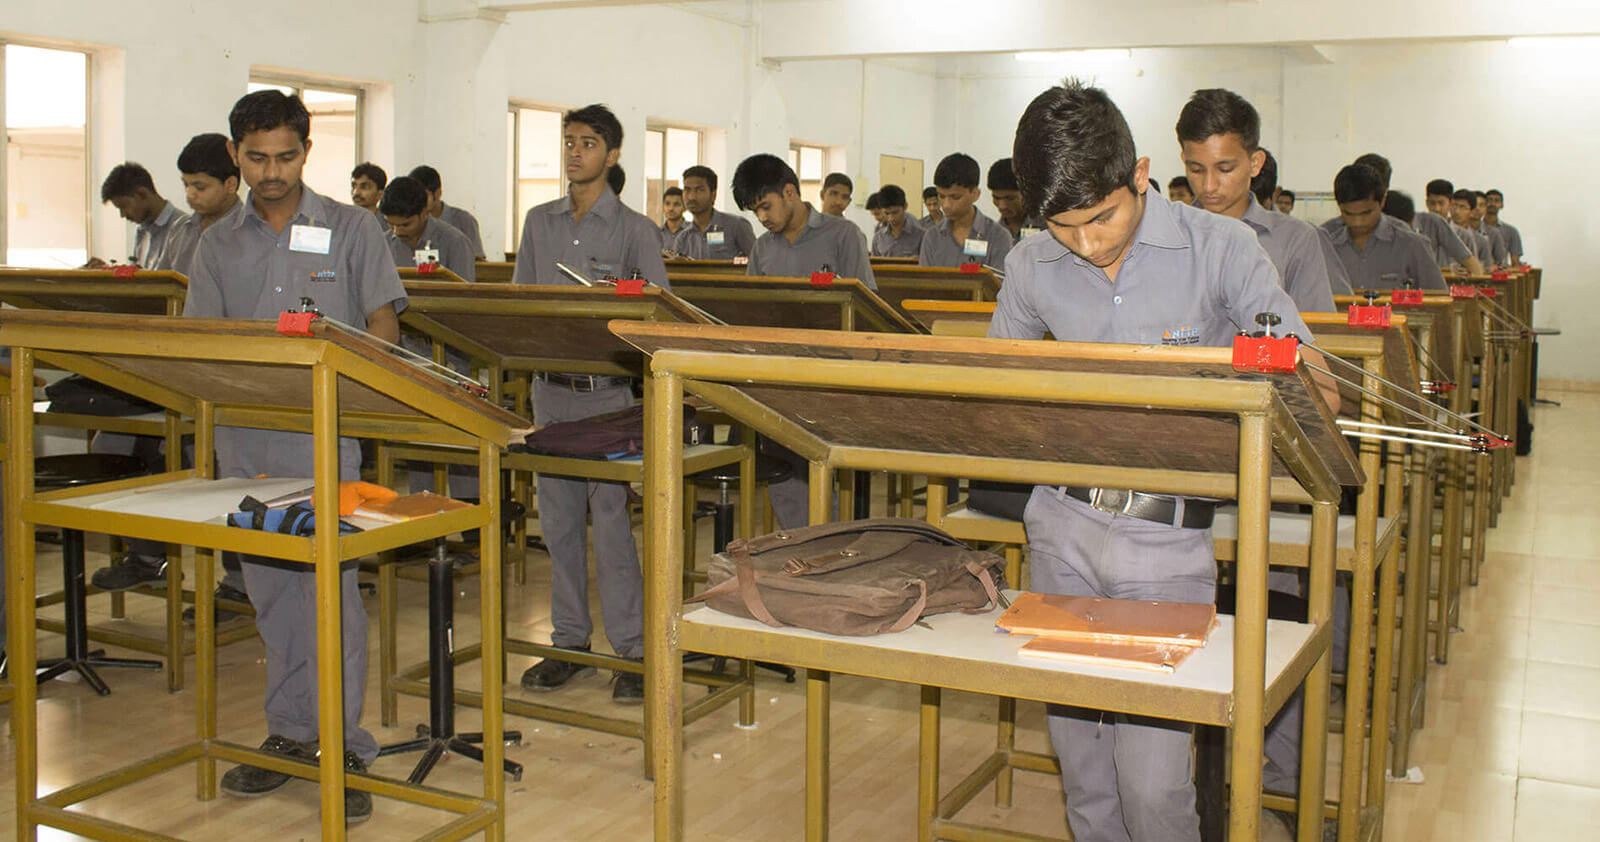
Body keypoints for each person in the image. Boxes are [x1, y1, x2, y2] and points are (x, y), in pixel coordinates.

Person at [992, 79, 1337, 842]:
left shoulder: (1222, 249)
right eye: (1064, 226)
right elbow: (998, 396)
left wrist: (1265, 364)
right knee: (1083, 775)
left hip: (1165, 540)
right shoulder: (1028, 265)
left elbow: (1313, 383)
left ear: (1142, 173)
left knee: (1151, 788)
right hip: (1059, 529)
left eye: (1104, 216)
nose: (1088, 242)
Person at [184, 89, 403, 824]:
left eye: (285, 157)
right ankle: (289, 732)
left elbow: (381, 326)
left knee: (332, 597)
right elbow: (200, 344)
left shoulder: (352, 228)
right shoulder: (215, 243)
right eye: (255, 159)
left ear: (307, 151)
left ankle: (343, 744)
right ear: (234, 155)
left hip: (325, 438)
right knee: (271, 596)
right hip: (246, 443)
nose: (271, 173)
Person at [510, 104, 666, 704]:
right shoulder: (538, 222)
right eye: (569, 141)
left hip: (608, 399)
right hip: (551, 394)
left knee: (613, 528)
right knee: (558, 526)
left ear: (613, 154)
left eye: (589, 143)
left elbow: (657, 317)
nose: (576, 152)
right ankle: (568, 643)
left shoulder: (634, 230)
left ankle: (633, 650)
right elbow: (521, 309)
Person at [89, 135, 246, 605]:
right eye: (186, 186)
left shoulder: (247, 229)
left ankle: (239, 583)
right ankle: (147, 554)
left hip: (223, 369)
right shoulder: (183, 231)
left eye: (199, 186)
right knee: (116, 441)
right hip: (172, 364)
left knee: (226, 471)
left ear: (231, 184)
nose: (191, 196)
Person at [732, 152, 874, 530]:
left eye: (766, 206)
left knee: (827, 473)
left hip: (832, 376)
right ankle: (798, 545)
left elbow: (868, 309)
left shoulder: (843, 235)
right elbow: (752, 313)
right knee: (783, 471)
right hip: (778, 376)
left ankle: (831, 548)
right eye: (755, 211)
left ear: (790, 192)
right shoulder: (763, 249)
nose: (763, 218)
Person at [1175, 90, 1338, 312]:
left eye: (1225, 169)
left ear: (1255, 163)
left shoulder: (1295, 240)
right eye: (1196, 169)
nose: (1209, 185)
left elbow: (1317, 331)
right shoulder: (1166, 234)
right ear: (1184, 159)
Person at [1327, 163, 1445, 290]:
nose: (1357, 222)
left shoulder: (1413, 246)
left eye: (1366, 213)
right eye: (1348, 213)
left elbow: (1439, 301)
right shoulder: (1328, 247)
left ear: (1383, 200)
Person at [920, 153, 1012, 269]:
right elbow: (925, 283)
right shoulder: (932, 237)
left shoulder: (998, 236)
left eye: (955, 197)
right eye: (942, 196)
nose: (946, 205)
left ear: (975, 194)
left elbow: (999, 284)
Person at [379, 176, 477, 281]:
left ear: (424, 213)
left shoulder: (456, 243)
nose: (396, 231)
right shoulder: (383, 244)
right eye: (390, 224)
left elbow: (465, 293)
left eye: (405, 225)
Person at [97, 162, 188, 267]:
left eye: (123, 206)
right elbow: (138, 279)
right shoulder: (142, 230)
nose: (122, 215)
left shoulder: (184, 228)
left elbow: (182, 281)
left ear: (142, 194)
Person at [674, 165, 757, 260]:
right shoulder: (682, 238)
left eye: (699, 190)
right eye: (687, 190)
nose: (691, 197)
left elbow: (757, 264)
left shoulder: (736, 226)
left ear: (713, 194)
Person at [409, 164, 486, 259]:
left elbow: (478, 262)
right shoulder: (409, 221)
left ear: (438, 194)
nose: (419, 200)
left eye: (424, 196)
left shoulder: (464, 221)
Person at [988, 157, 1045, 240]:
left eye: (1010, 198)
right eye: (996, 198)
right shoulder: (993, 233)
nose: (1002, 206)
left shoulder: (1050, 228)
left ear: (1027, 193)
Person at [870, 185, 925, 258]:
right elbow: (874, 266)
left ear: (905, 206)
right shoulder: (878, 238)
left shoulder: (921, 236)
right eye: (887, 213)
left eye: (895, 212)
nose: (891, 218)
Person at [1449, 189, 1496, 267]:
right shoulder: (1441, 232)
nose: (1456, 211)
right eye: (1454, 206)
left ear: (1472, 211)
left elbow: (1486, 269)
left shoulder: (1481, 241)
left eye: (1462, 207)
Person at [1483, 189, 1524, 264]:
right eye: (1489, 200)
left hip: (1501, 272)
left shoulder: (1511, 231)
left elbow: (1515, 261)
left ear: (1501, 205)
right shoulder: (1475, 228)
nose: (1492, 203)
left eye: (1496, 201)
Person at [658, 186, 687, 252]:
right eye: (667, 204)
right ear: (663, 206)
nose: (671, 208)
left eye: (676, 204)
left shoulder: (692, 232)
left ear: (685, 207)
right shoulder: (657, 234)